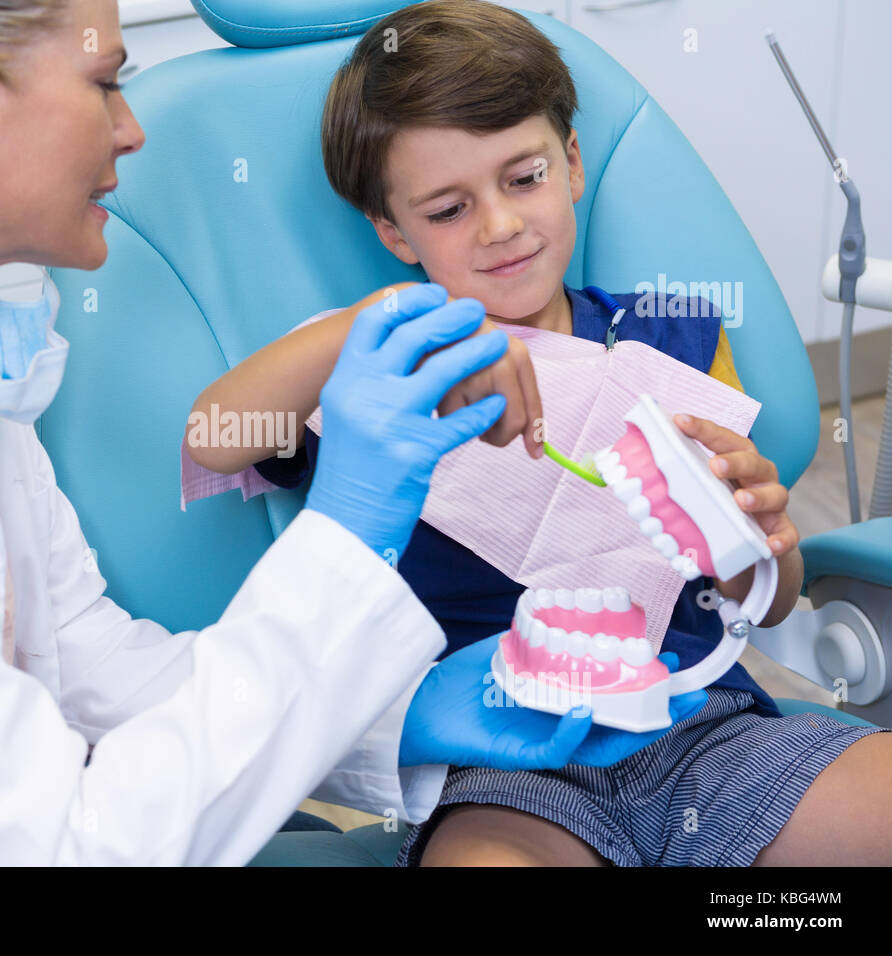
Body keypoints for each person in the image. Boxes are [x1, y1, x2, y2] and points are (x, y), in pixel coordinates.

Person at [0, 0, 670, 866]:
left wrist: (404, 718)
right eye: (105, 80)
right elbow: (63, 843)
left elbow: (103, 670)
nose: (132, 126)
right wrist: (342, 540)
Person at [186, 0, 892, 866]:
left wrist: (769, 540)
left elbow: (767, 600)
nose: (500, 226)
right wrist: (366, 327)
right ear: (392, 233)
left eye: (522, 179)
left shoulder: (674, 337)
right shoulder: (378, 362)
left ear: (571, 164)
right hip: (502, 758)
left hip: (703, 728)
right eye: (447, 209)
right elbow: (215, 435)